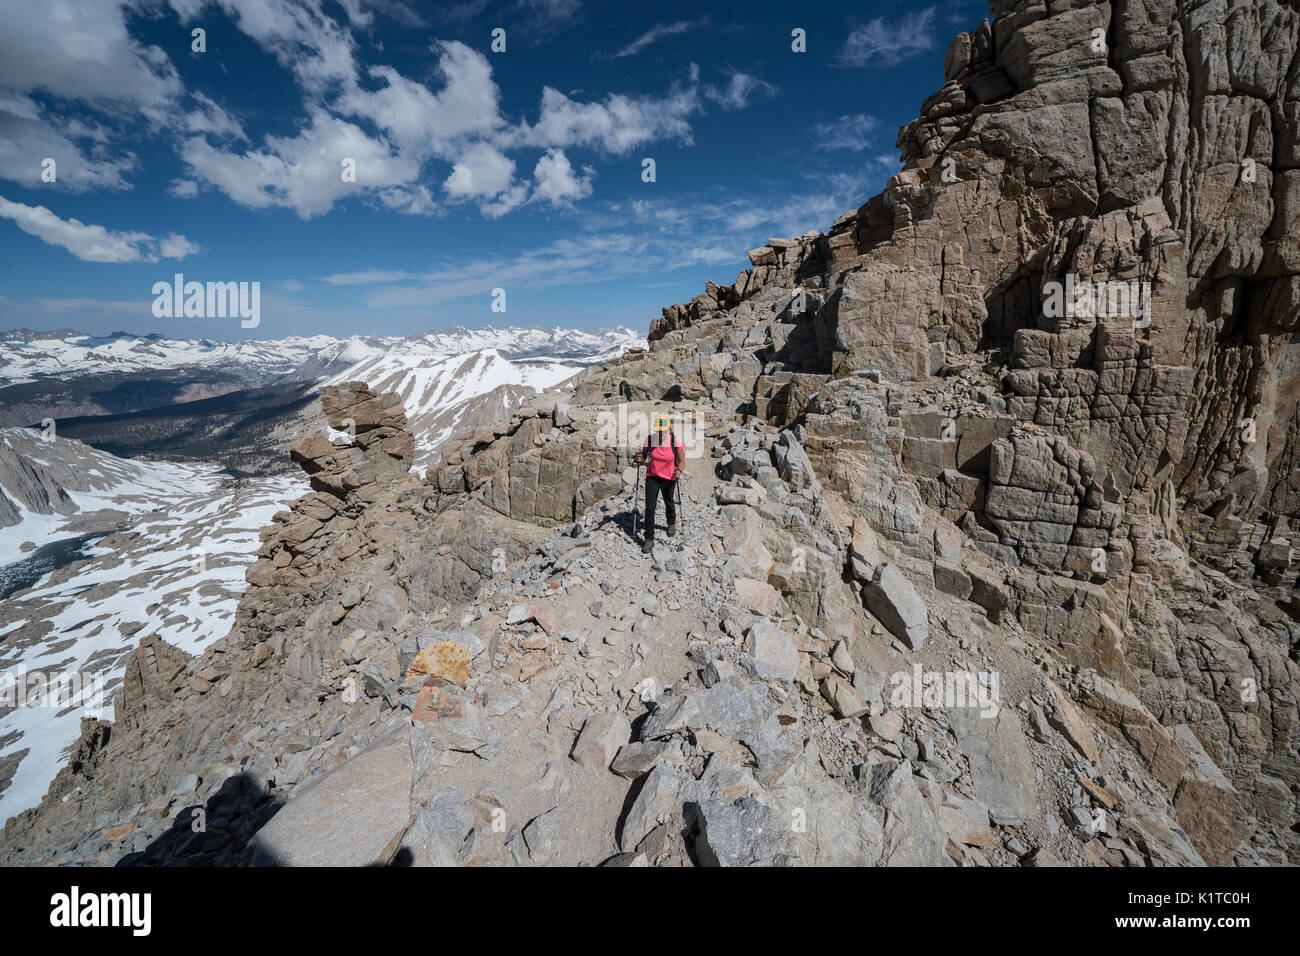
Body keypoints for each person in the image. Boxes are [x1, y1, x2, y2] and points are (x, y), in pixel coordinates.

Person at [634, 414, 684, 554]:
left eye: (663, 430)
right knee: (650, 508)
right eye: (658, 430)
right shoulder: (650, 440)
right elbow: (644, 456)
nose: (661, 433)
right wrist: (639, 459)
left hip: (669, 478)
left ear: (668, 429)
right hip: (652, 477)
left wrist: (679, 471)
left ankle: (671, 523)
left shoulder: (675, 441)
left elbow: (681, 460)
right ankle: (649, 538)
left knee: (669, 502)